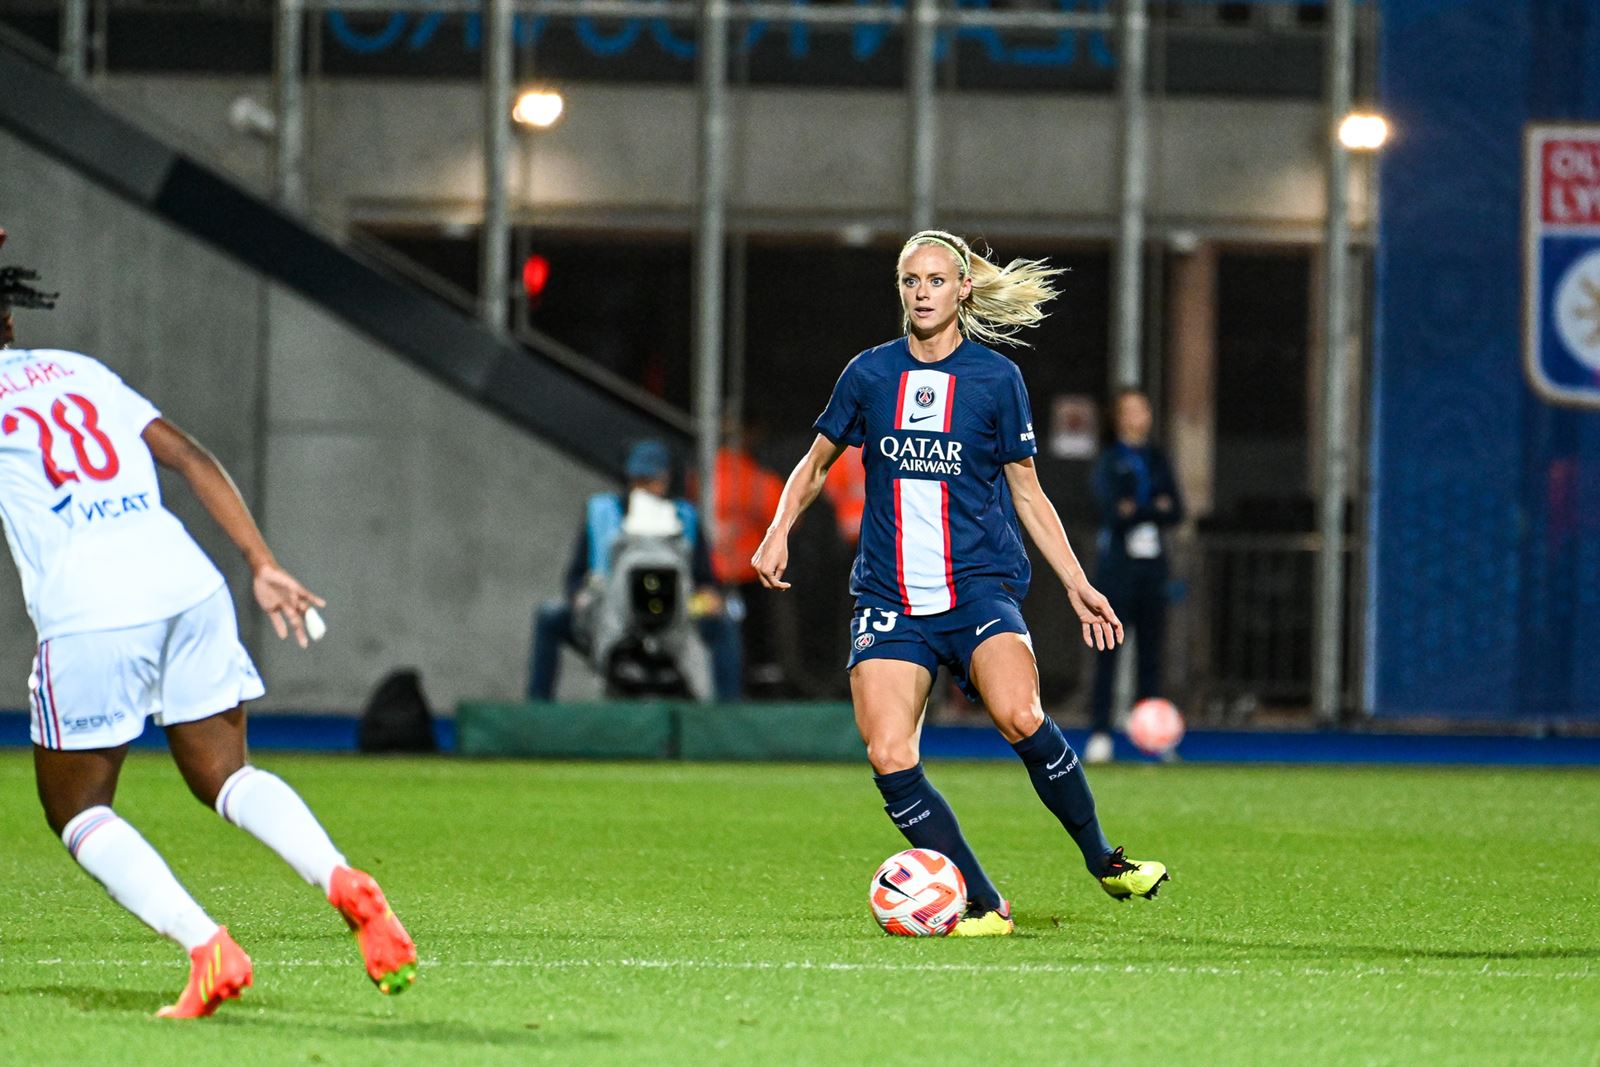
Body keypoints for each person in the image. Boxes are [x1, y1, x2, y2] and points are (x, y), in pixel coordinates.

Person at [0, 228, 416, 1018]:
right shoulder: (82, 372)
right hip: (189, 582)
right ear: (9, 321)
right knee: (227, 775)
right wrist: (261, 561)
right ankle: (339, 877)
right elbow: (188, 455)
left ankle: (207, 947)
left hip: (92, 609)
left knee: (79, 809)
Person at [752, 229, 1169, 936]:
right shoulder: (869, 374)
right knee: (889, 753)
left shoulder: (996, 380)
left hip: (977, 587)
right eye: (910, 280)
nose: (921, 292)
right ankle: (982, 901)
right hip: (889, 596)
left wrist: (1076, 581)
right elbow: (816, 460)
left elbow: (1030, 493)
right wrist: (777, 527)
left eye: (936, 280)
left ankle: (1104, 857)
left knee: (1020, 715)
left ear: (963, 288)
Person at [527, 439, 739, 701]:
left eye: (652, 480)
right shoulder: (600, 512)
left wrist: (709, 596)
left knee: (724, 624)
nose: (644, 488)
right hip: (608, 614)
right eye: (638, 479)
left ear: (666, 480)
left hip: (676, 617)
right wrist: (579, 597)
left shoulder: (686, 518)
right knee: (549, 616)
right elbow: (575, 577)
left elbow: (705, 579)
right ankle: (537, 709)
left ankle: (731, 716)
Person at [1086, 389, 1185, 763]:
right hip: (1117, 570)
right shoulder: (1109, 460)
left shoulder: (1159, 459)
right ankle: (1100, 733)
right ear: (1118, 417)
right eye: (1128, 411)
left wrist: (1138, 509)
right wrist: (1150, 507)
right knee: (1108, 652)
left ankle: (1154, 736)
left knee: (1152, 655)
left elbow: (1175, 510)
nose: (1136, 417)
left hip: (1152, 568)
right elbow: (1113, 511)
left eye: (1142, 409)